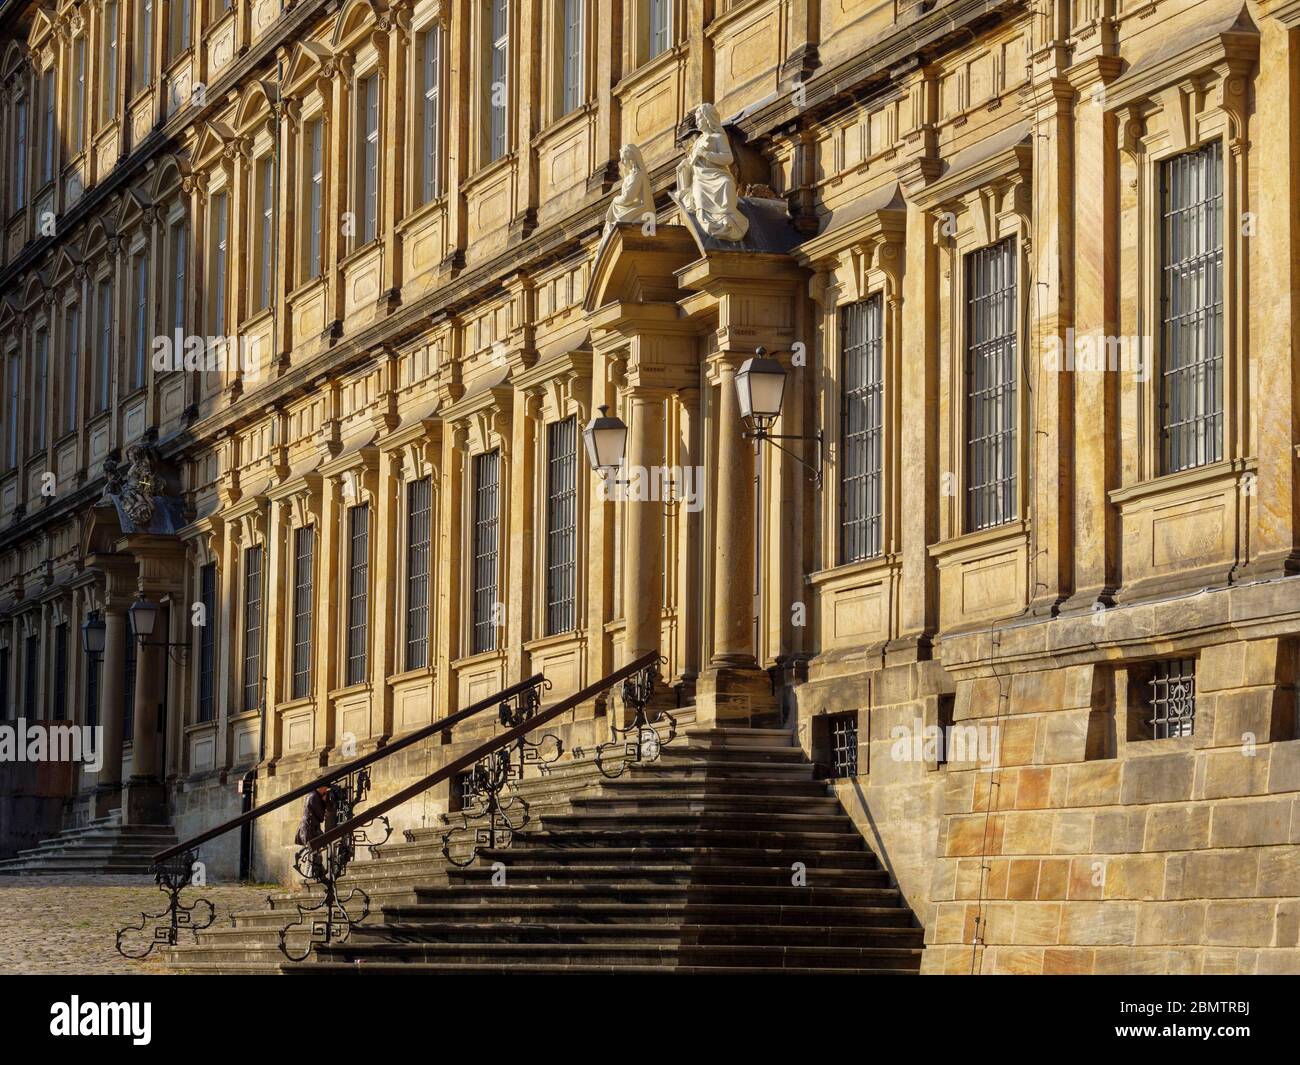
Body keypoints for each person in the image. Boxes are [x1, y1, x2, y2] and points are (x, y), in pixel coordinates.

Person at [295, 784, 336, 880]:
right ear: (322, 787)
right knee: (313, 854)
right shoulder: (314, 797)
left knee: (313, 853)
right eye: (325, 788)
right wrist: (324, 801)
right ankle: (310, 878)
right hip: (310, 829)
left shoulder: (311, 795)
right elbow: (321, 817)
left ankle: (311, 877)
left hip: (309, 827)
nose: (326, 791)